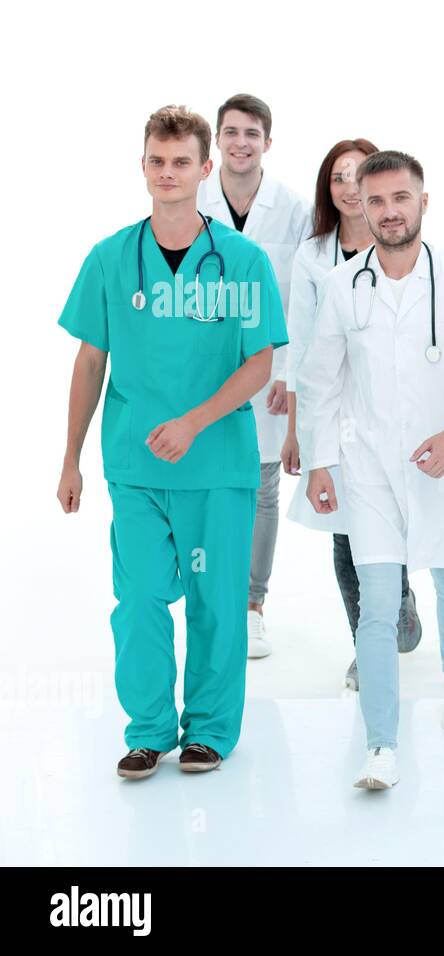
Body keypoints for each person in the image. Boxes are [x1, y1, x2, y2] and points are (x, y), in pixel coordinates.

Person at [56, 105, 286, 779]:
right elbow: (90, 361)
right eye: (157, 161)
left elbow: (259, 362)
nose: (168, 172)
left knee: (216, 605)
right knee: (140, 602)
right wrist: (70, 458)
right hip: (135, 465)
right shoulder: (110, 258)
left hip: (216, 465)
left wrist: (194, 422)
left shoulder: (241, 261)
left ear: (205, 168)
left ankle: (209, 730)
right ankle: (149, 731)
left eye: (182, 162)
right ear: (143, 165)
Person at [296, 150, 444, 790]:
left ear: (423, 202)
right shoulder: (342, 285)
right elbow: (320, 380)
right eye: (375, 200)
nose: (388, 212)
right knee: (378, 603)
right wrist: (320, 462)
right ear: (361, 204)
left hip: (442, 459)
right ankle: (381, 745)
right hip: (370, 466)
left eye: (400, 198)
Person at [281, 138, 423, 690]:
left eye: (356, 175)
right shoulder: (313, 255)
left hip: (394, 408)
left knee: (395, 516)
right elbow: (300, 346)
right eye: (338, 177)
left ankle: (399, 594)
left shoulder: (408, 248)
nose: (347, 186)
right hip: (334, 414)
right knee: (344, 532)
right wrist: (296, 430)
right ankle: (367, 644)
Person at [198, 93, 312, 659]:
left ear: (268, 141)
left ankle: (252, 604)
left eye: (251, 133)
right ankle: (211, 599)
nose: (241, 142)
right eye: (231, 132)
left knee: (263, 486)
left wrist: (288, 374)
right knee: (210, 483)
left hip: (270, 369)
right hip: (203, 370)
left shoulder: (294, 209)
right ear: (217, 140)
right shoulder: (192, 198)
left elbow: (305, 299)